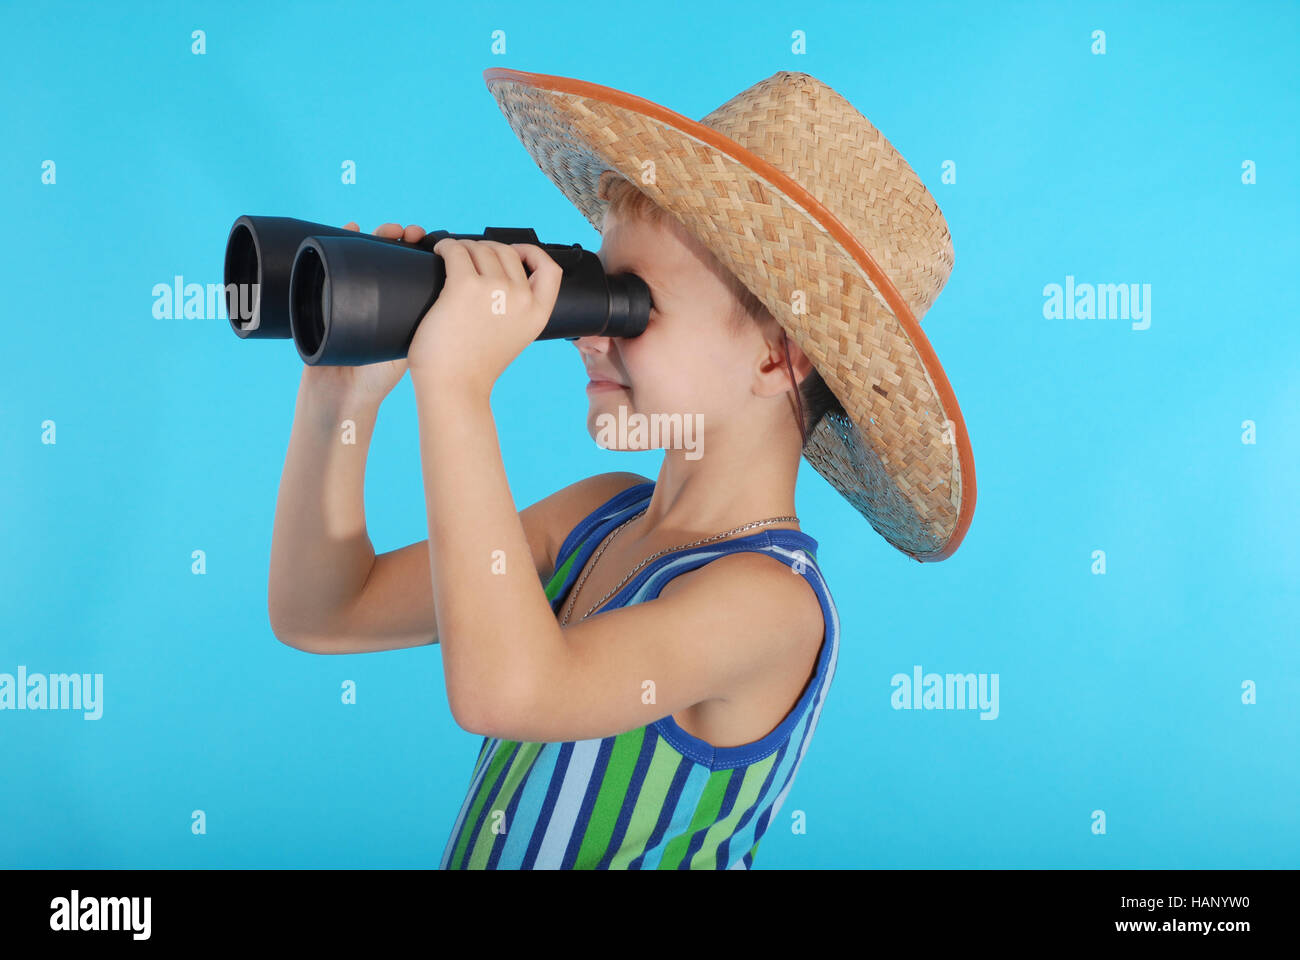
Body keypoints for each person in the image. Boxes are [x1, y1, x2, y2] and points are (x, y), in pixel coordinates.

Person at [267, 68, 975, 869]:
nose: (587, 335)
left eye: (629, 306)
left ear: (781, 356)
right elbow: (324, 611)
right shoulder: (594, 518)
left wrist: (456, 387)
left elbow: (512, 691)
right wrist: (342, 401)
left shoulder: (770, 605)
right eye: (594, 294)